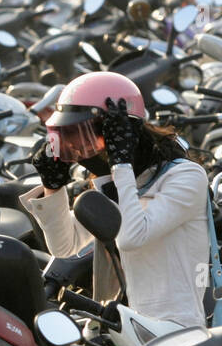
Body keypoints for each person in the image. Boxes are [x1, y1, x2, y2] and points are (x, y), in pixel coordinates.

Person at [19, 71, 212, 329]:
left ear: (124, 130)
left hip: (173, 327)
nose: (81, 150)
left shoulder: (186, 177)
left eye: (88, 136)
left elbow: (132, 237)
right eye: (71, 137)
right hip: (116, 325)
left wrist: (121, 164)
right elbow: (65, 246)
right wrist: (52, 187)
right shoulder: (112, 181)